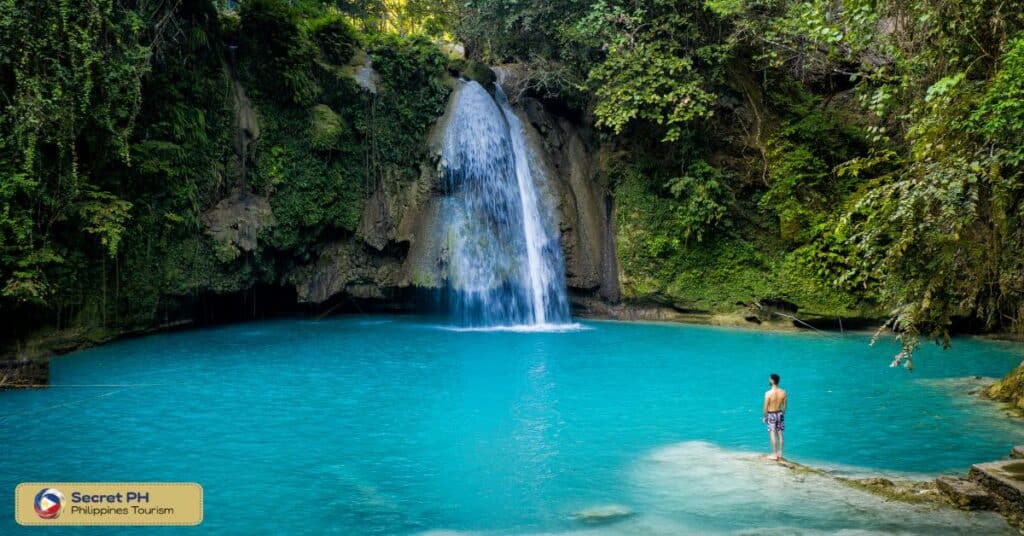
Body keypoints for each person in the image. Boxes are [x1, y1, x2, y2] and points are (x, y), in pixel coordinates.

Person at [762, 373, 787, 461]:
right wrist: (782, 414)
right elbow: (785, 406)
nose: (769, 380)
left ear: (772, 381)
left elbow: (765, 406)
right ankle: (780, 453)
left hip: (771, 414)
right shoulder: (783, 392)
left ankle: (774, 454)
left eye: (770, 379)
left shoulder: (768, 393)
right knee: (780, 434)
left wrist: (764, 416)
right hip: (780, 413)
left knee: (772, 434)